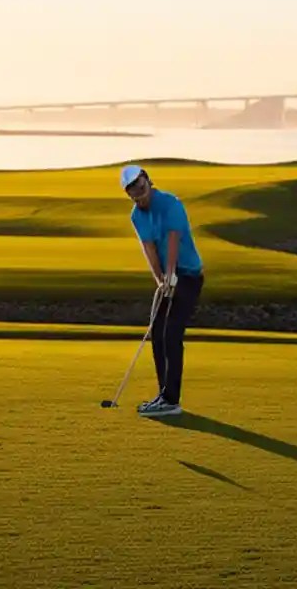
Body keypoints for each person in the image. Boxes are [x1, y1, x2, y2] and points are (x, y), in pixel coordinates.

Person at [120, 164, 204, 417]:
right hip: (168, 278)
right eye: (134, 192)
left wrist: (171, 274)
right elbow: (150, 249)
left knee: (171, 334)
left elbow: (173, 239)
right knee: (157, 333)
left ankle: (171, 400)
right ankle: (163, 394)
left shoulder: (171, 203)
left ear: (147, 181)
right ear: (129, 194)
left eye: (142, 188)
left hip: (188, 275)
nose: (140, 195)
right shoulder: (137, 215)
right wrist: (160, 280)